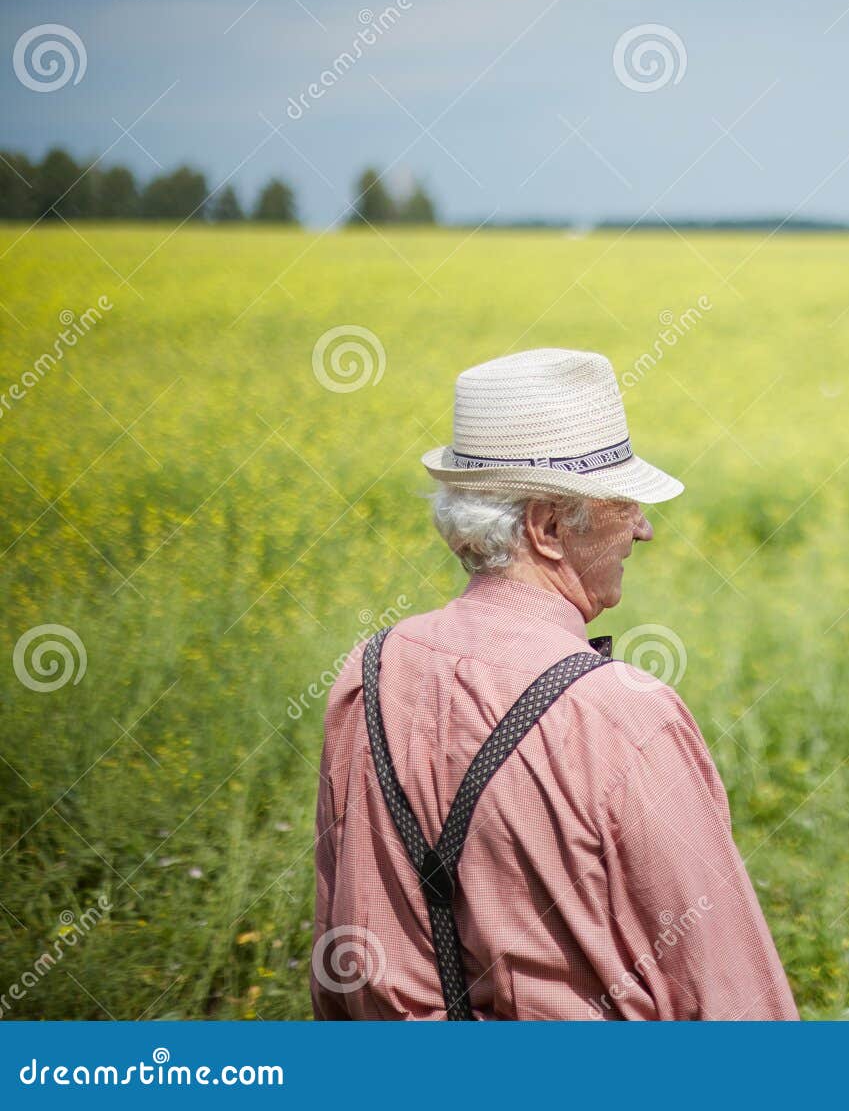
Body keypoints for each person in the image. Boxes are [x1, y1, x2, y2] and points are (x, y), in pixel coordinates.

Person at [313, 348, 796, 1020]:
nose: (644, 529)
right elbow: (732, 998)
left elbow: (339, 954)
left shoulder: (369, 672)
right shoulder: (622, 716)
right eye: (623, 505)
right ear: (546, 527)